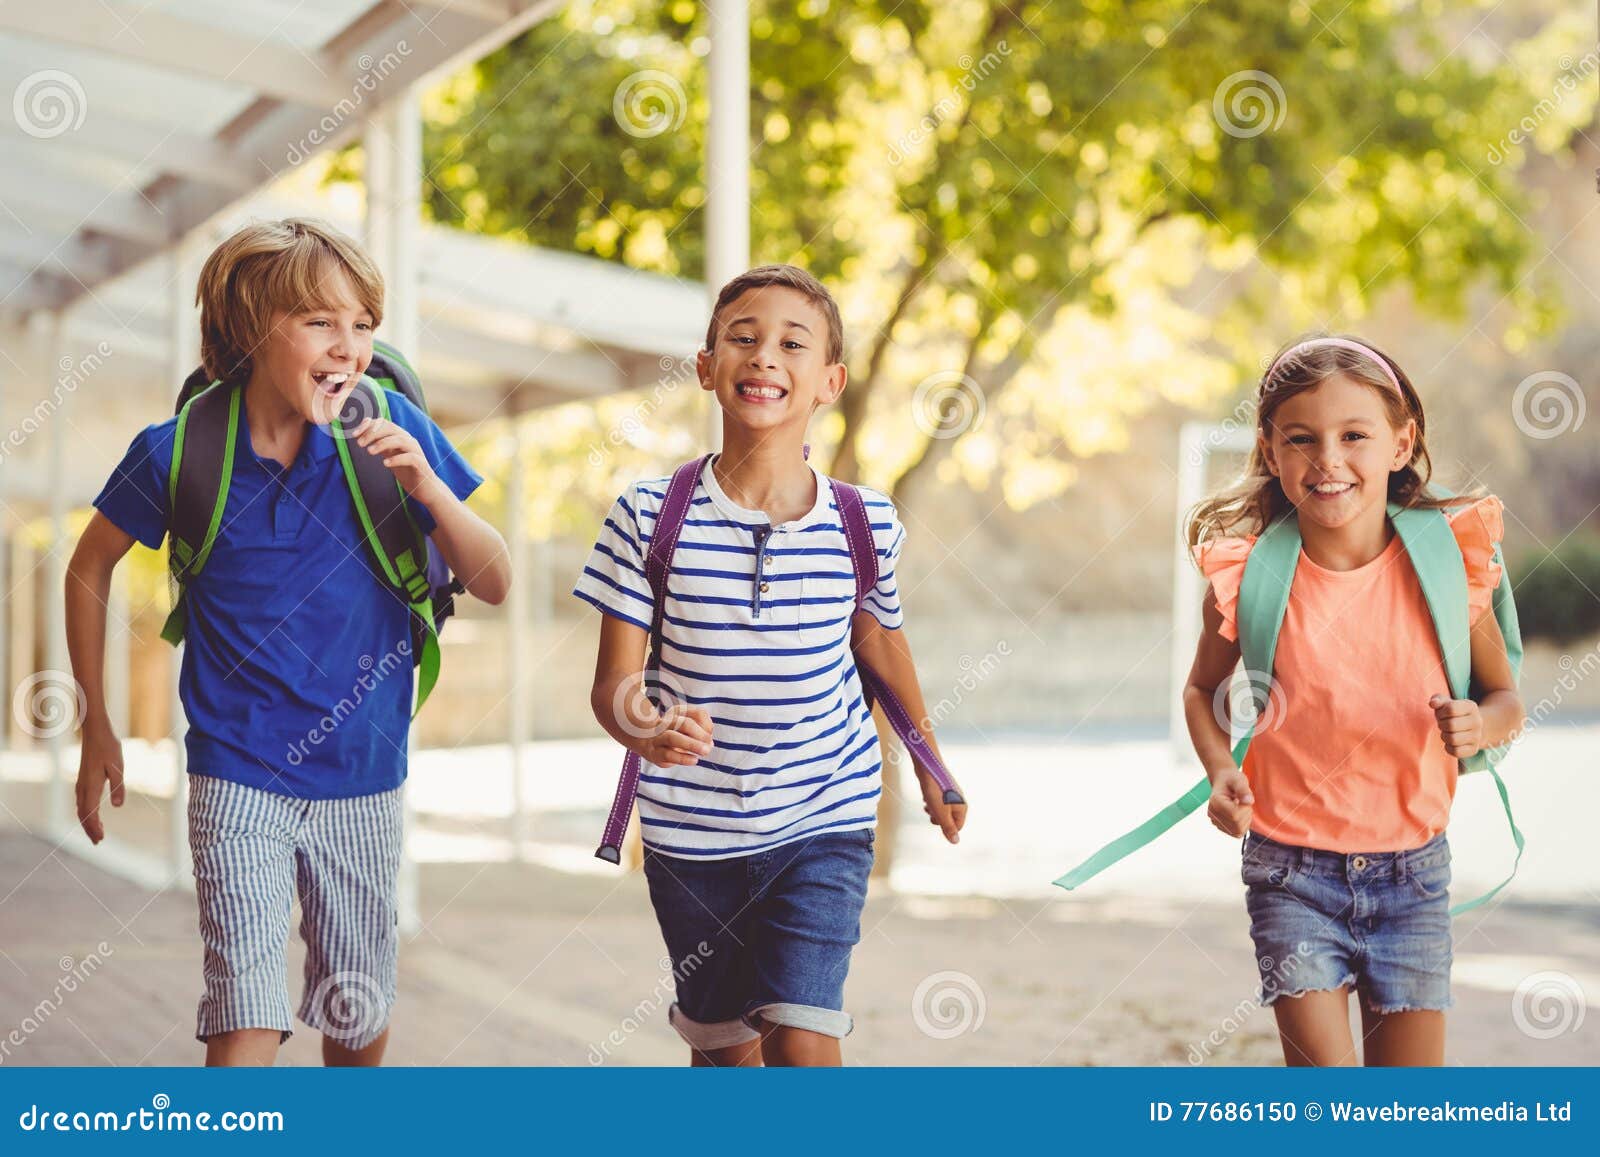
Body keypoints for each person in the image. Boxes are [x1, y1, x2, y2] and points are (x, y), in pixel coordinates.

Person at [66, 218, 511, 1066]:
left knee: (354, 1008)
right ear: (247, 330)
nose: (349, 348)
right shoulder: (179, 453)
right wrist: (96, 723)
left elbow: (495, 580)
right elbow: (87, 567)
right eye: (319, 322)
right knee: (246, 1007)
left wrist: (429, 487)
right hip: (235, 772)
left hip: (365, 773)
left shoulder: (394, 432)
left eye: (363, 325)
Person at [574, 264, 968, 1067]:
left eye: (792, 343)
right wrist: (645, 724)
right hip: (693, 833)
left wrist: (931, 761)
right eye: (743, 339)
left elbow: (882, 645)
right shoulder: (648, 516)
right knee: (727, 1053)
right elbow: (614, 682)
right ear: (706, 365)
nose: (764, 358)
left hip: (825, 811)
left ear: (830, 380)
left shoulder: (866, 522)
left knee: (802, 1032)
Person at [1183, 335, 1523, 1066]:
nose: (1327, 460)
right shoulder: (1252, 575)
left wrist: (1478, 723)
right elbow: (1202, 689)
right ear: (1271, 452)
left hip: (1414, 877)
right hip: (1290, 874)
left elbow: (1505, 699)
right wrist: (1220, 771)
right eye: (1301, 439)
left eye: (1354, 436)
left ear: (1401, 443)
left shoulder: (1446, 566)